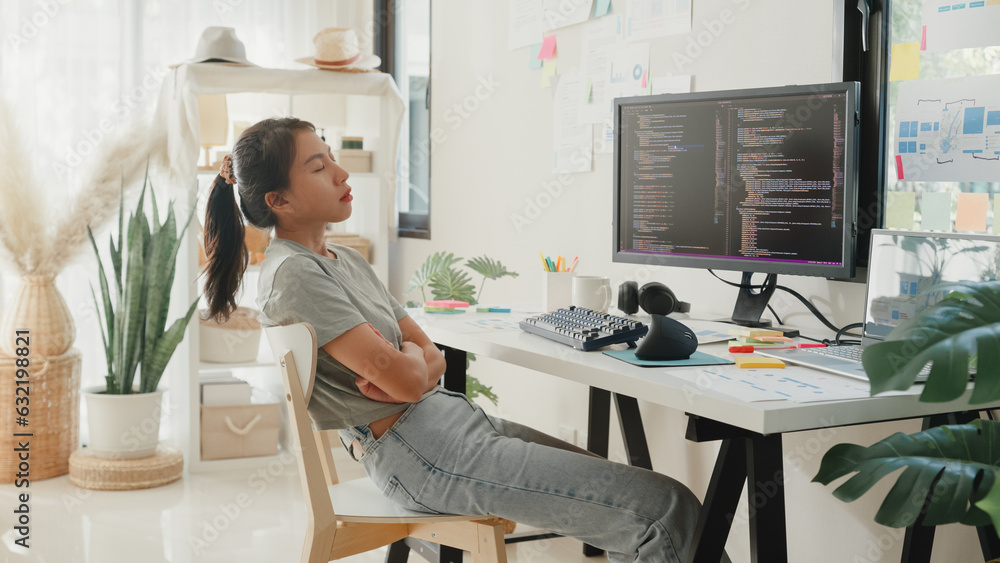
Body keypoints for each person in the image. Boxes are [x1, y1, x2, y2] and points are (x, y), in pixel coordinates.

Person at [202, 117, 729, 563]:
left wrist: (412, 364)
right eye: (318, 168)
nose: (341, 173)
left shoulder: (346, 260)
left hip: (450, 425)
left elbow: (427, 360)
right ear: (279, 200)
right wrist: (412, 367)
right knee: (665, 510)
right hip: (422, 454)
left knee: (642, 501)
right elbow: (410, 379)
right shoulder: (296, 274)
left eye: (333, 159)